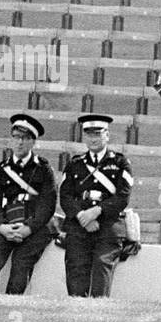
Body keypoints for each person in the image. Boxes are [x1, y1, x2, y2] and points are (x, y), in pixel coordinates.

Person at [0, 114, 57, 295]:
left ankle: (12, 302)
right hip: (8, 222)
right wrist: (1, 227)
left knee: (21, 262)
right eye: (16, 137)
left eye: (25, 138)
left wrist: (28, 229)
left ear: (33, 142)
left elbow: (48, 205)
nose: (20, 142)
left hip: (34, 226)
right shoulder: (3, 169)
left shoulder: (43, 168)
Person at [59, 114, 133, 298]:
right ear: (84, 137)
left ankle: (99, 311)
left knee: (102, 265)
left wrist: (97, 211)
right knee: (76, 267)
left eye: (98, 134)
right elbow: (65, 197)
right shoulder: (74, 164)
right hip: (79, 226)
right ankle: (75, 313)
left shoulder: (120, 163)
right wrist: (83, 217)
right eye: (89, 134)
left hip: (108, 228)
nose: (93, 139)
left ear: (107, 135)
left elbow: (123, 196)